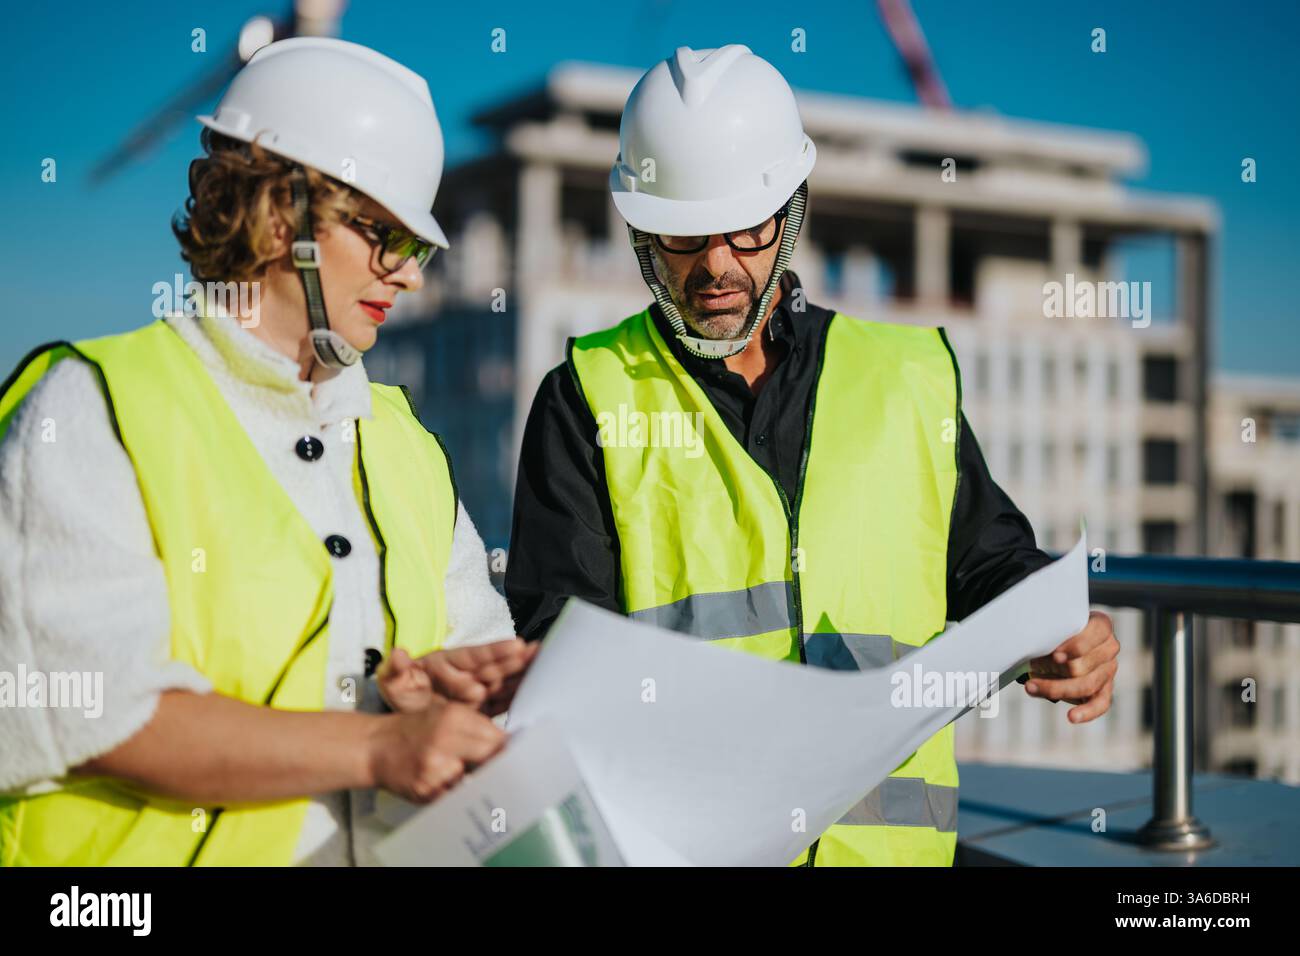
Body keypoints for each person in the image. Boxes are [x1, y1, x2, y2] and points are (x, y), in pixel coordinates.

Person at [504, 44, 1120, 867]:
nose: (717, 265)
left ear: (791, 213)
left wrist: (1061, 626)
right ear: (644, 232)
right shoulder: (588, 397)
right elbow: (560, 658)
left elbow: (988, 563)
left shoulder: (905, 380)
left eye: (745, 228)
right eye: (684, 235)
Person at [0, 37, 535, 867]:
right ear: (279, 210)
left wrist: (432, 693)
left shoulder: (401, 444)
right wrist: (373, 750)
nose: (409, 277)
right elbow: (91, 708)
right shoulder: (94, 405)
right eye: (381, 234)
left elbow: (469, 661)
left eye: (416, 246)